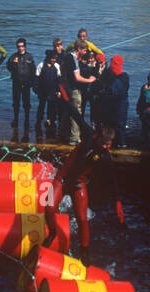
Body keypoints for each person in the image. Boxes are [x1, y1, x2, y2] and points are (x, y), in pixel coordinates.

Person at [46, 122, 123, 267]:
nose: (105, 147)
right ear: (97, 137)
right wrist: (64, 98)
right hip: (61, 179)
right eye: (103, 143)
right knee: (48, 208)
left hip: (79, 184)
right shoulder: (88, 135)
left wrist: (117, 202)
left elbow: (113, 180)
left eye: (109, 144)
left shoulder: (105, 157)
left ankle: (84, 252)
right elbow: (75, 113)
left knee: (82, 219)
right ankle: (52, 232)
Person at [93, 55, 130, 148]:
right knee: (114, 124)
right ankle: (116, 142)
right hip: (117, 103)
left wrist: (102, 93)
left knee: (118, 124)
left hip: (119, 104)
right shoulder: (121, 76)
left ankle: (121, 143)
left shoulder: (119, 79)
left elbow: (112, 92)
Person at [65, 43, 98, 144]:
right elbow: (77, 77)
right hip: (74, 89)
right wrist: (90, 80)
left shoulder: (67, 56)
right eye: (84, 50)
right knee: (76, 113)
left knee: (68, 111)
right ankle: (74, 139)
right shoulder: (73, 59)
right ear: (79, 49)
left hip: (67, 87)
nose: (85, 53)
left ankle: (63, 132)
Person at [6, 38, 36, 133]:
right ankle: (16, 119)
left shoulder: (29, 57)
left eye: (22, 46)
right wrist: (13, 64)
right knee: (16, 102)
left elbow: (33, 70)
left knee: (26, 103)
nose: (20, 48)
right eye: (19, 47)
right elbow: (9, 67)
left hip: (26, 83)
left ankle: (26, 120)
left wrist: (32, 82)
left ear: (25, 46)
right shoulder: (13, 57)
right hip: (16, 83)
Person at [35, 49, 61, 135]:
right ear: (48, 57)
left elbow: (59, 80)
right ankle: (39, 121)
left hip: (53, 91)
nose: (54, 60)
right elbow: (37, 79)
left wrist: (59, 91)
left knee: (52, 107)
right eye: (52, 58)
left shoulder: (57, 66)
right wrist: (36, 89)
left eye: (55, 58)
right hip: (42, 91)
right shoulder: (41, 65)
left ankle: (51, 121)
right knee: (41, 106)